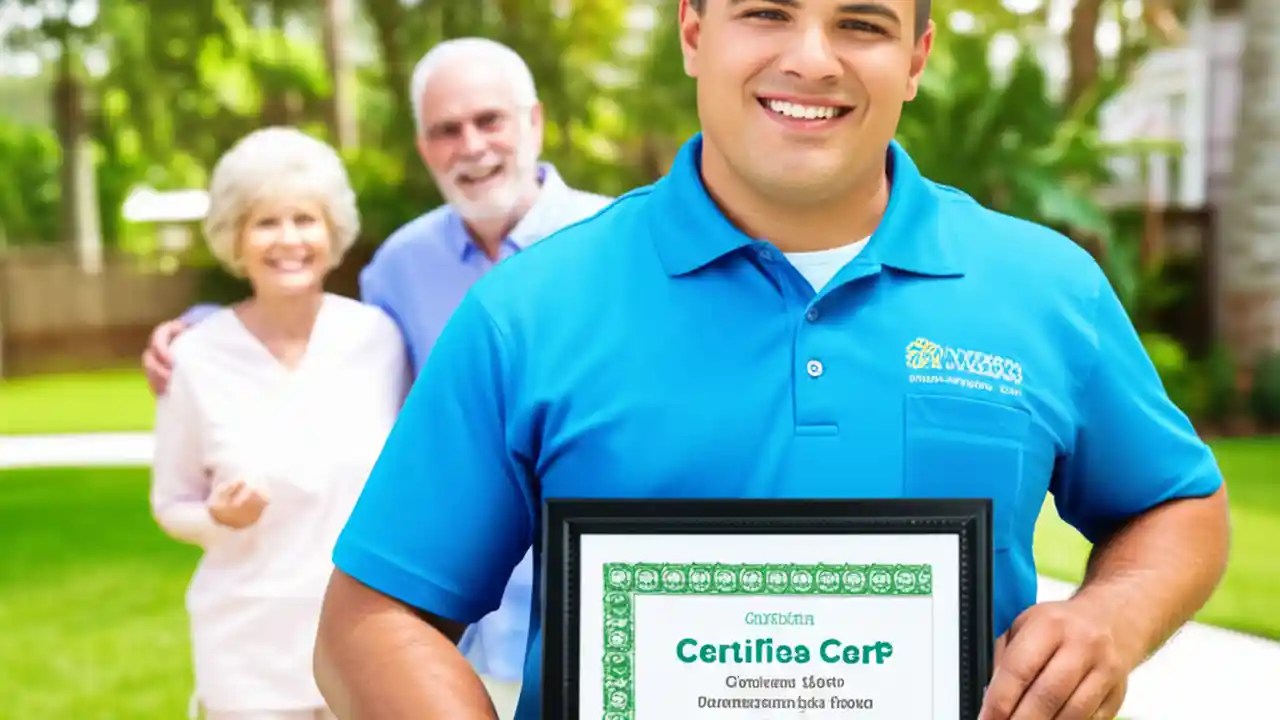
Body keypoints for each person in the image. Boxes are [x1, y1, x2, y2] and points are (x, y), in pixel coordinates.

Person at [141, 38, 612, 718]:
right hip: (452, 632)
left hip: (589, 612)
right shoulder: (400, 268)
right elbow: (312, 337)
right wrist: (205, 328)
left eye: (490, 120)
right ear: (425, 148)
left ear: (533, 122)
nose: (471, 145)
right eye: (446, 130)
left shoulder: (617, 239)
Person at [149, 126, 410, 720]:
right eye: (265, 222)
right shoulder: (194, 357)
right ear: (234, 239)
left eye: (305, 219)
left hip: (361, 639)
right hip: (246, 650)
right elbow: (170, 503)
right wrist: (217, 516)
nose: (287, 239)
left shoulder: (377, 339)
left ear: (332, 231)